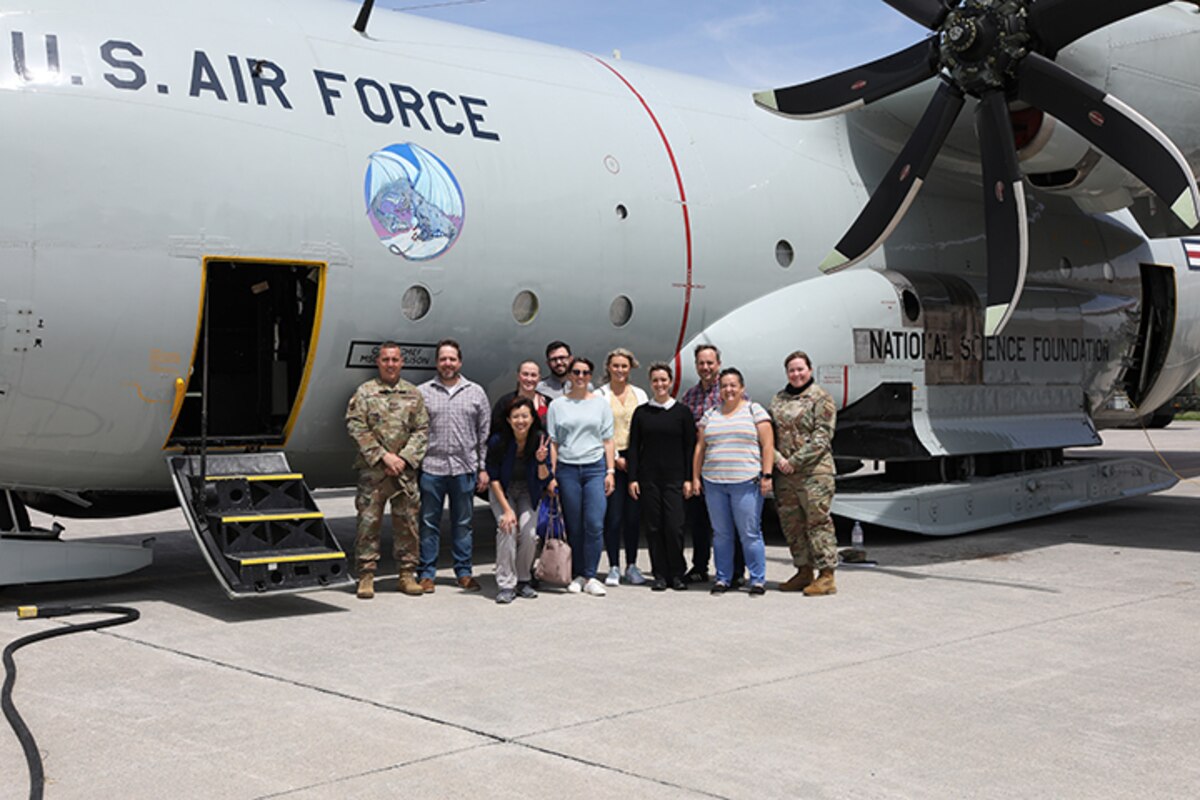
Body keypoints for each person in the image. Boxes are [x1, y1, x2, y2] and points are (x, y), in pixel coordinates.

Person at [344, 342, 429, 599]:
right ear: (378, 363)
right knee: (368, 523)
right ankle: (366, 575)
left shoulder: (413, 394)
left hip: (404, 471)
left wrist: (403, 459)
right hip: (374, 471)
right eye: (385, 360)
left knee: (408, 524)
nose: (390, 364)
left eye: (394, 360)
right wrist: (383, 457)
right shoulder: (365, 393)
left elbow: (422, 430)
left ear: (402, 362)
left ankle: (406, 574)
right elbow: (356, 426)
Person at [417, 339, 491, 592]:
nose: (447, 363)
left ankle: (464, 572)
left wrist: (482, 468)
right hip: (432, 467)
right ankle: (427, 574)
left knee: (463, 523)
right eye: (443, 359)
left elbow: (483, 435)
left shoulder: (476, 392)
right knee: (428, 523)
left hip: (464, 469)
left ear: (460, 362)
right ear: (437, 362)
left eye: (452, 359)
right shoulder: (423, 392)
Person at [692, 367, 774, 595]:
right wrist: (696, 477)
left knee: (749, 533)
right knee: (721, 533)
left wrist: (767, 475)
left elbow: (767, 445)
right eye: (724, 386)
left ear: (742, 388)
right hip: (714, 482)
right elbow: (700, 448)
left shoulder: (754, 410)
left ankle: (757, 579)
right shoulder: (711, 414)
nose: (728, 390)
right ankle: (722, 578)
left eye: (733, 385)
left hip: (746, 482)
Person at [770, 350, 839, 596]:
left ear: (809, 369)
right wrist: (778, 460)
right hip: (785, 474)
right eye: (792, 370)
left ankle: (827, 575)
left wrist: (795, 461)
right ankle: (803, 570)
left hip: (813, 473)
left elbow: (822, 437)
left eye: (800, 369)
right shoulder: (779, 399)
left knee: (817, 522)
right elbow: (771, 435)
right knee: (792, 524)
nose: (796, 374)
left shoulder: (821, 398)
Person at [545, 355, 615, 596]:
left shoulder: (601, 404)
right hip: (568, 469)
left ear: (590, 376)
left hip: (595, 468)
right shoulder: (557, 406)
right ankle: (576, 573)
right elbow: (553, 442)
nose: (580, 377)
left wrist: (610, 471)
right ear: (569, 375)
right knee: (574, 526)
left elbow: (608, 440)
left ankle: (591, 575)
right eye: (576, 372)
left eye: (585, 373)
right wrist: (552, 475)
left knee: (594, 523)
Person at [679, 344, 745, 584]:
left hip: (727, 467)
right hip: (701, 467)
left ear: (718, 364)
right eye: (701, 363)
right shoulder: (690, 396)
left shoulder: (730, 392)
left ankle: (736, 571)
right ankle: (699, 566)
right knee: (699, 522)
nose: (705, 368)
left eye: (710, 363)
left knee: (730, 523)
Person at [627, 362, 695, 591]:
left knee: (675, 526)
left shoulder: (682, 412)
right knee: (654, 527)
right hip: (649, 479)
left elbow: (689, 448)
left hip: (676, 479)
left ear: (670, 381)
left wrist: (688, 478)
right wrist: (633, 478)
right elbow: (634, 447)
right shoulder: (642, 413)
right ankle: (659, 574)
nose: (660, 384)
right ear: (651, 383)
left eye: (663, 380)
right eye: (655, 380)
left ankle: (677, 572)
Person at [485, 397, 552, 604]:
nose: (520, 421)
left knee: (530, 533)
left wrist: (542, 461)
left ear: (532, 418)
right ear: (508, 419)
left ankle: (523, 579)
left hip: (528, 491)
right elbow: (493, 478)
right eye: (515, 417)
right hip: (502, 490)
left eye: (525, 416)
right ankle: (506, 584)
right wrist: (506, 510)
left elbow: (544, 478)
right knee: (507, 528)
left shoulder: (540, 439)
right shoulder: (498, 441)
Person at [597, 348, 649, 585]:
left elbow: (646, 427)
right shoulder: (600, 395)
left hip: (636, 459)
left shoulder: (639, 394)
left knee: (633, 517)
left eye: (624, 366)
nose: (619, 370)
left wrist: (636, 460)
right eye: (615, 366)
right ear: (608, 367)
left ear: (631, 368)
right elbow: (598, 429)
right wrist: (616, 457)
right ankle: (614, 567)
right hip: (610, 458)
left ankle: (632, 565)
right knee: (614, 516)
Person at [490, 359, 551, 435]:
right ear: (518, 377)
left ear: (539, 379)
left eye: (533, 375)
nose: (529, 379)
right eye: (525, 374)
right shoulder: (505, 403)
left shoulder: (547, 402)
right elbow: (495, 431)